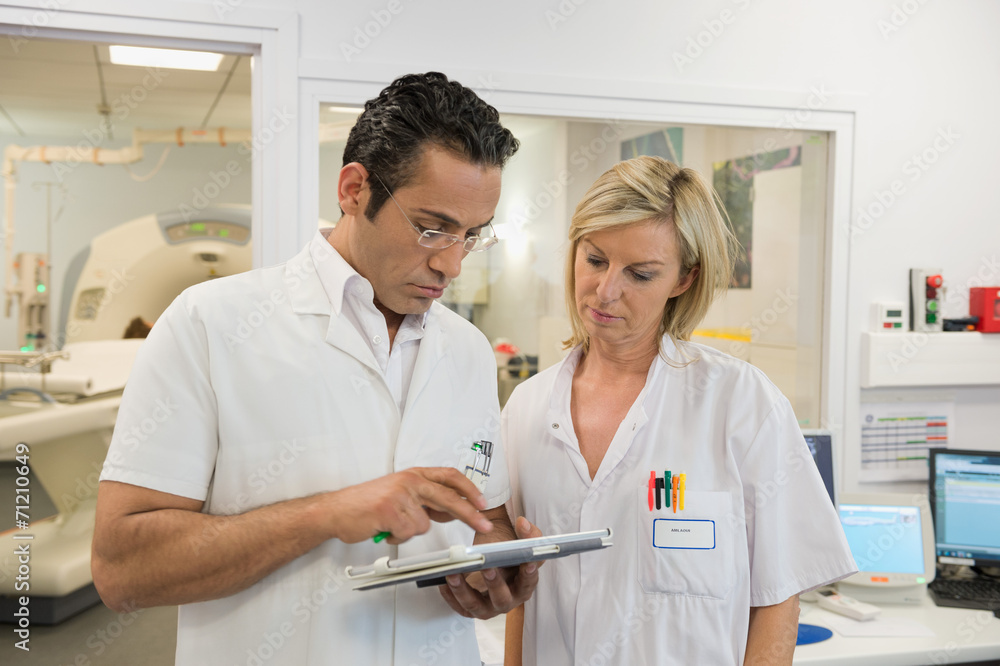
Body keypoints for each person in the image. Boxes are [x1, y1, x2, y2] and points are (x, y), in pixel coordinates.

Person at [92, 72, 541, 666]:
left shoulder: (467, 351)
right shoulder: (211, 325)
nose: (452, 263)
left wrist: (495, 576)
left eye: (471, 235)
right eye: (431, 227)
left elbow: (485, 517)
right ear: (354, 189)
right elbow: (123, 571)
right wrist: (327, 513)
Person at [502, 156, 857, 665]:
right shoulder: (527, 408)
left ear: (684, 279)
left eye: (640, 274)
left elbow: (778, 596)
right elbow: (523, 589)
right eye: (595, 259)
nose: (606, 291)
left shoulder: (741, 404)